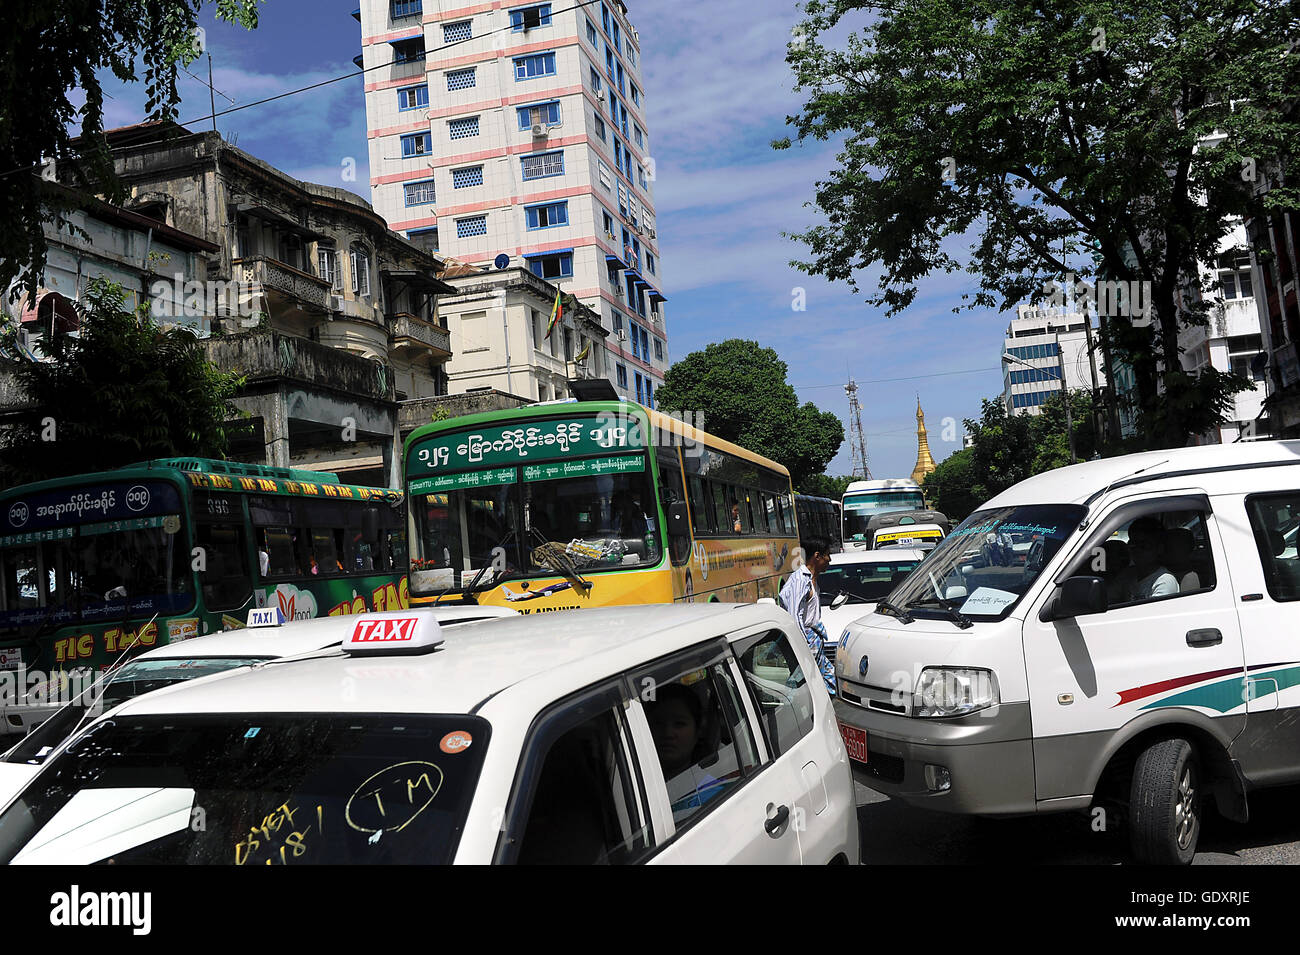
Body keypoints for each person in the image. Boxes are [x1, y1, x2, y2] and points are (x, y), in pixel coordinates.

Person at [779, 537, 836, 697]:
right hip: (806, 642)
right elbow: (794, 617)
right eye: (827, 555)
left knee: (823, 681)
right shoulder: (799, 581)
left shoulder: (811, 580)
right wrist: (802, 648)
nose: (829, 560)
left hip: (814, 641)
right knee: (803, 682)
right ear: (817, 556)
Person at [1118, 517, 1178, 601]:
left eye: (1144, 545)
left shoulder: (1165, 581)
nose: (1137, 549)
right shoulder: (1128, 575)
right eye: (1133, 544)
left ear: (1159, 548)